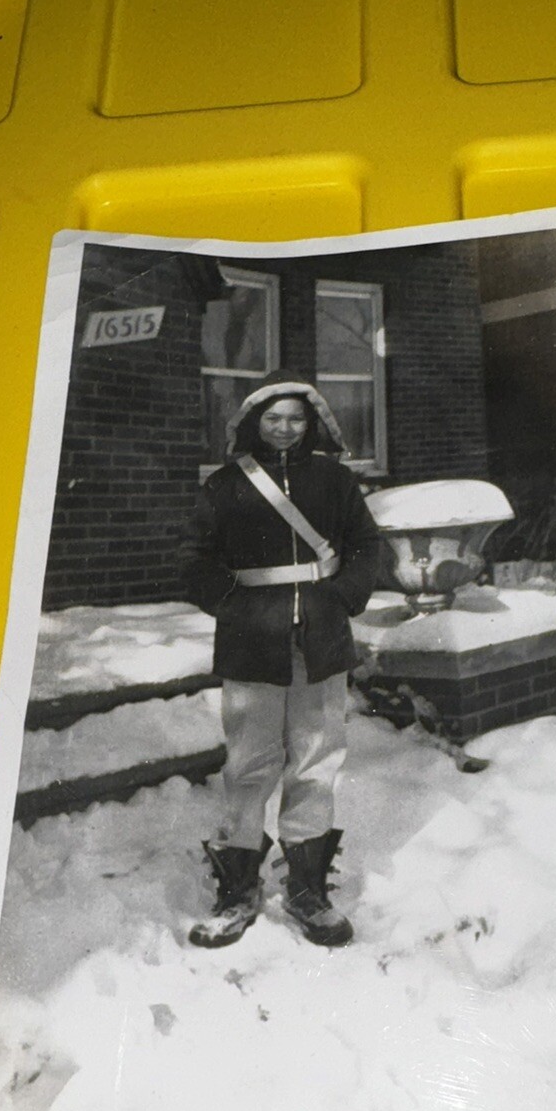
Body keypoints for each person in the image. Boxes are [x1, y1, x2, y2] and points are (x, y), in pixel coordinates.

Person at [182, 372, 383, 950]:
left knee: (317, 759)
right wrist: (230, 605)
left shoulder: (336, 481)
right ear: (254, 423)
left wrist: (342, 597)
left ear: (311, 422)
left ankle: (306, 888)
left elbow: (367, 546)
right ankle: (238, 889)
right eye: (274, 418)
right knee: (249, 762)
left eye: (296, 418)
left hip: (320, 639)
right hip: (251, 640)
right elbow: (193, 556)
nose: (285, 428)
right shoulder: (226, 486)